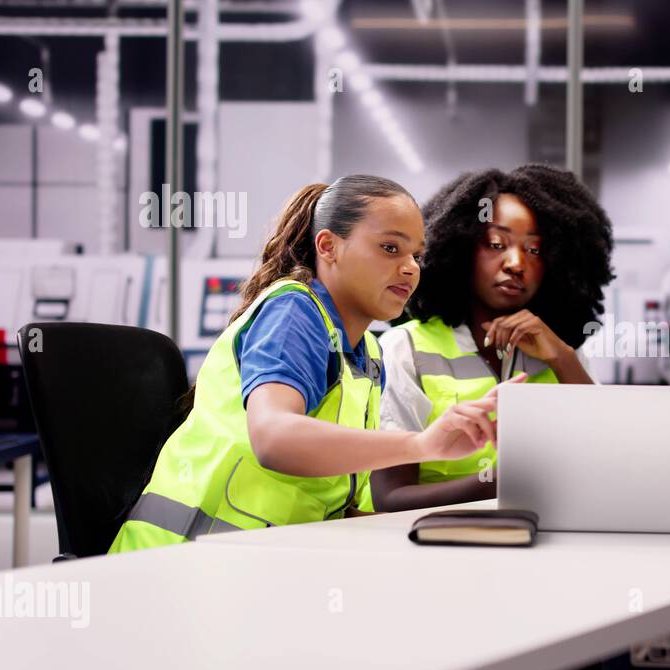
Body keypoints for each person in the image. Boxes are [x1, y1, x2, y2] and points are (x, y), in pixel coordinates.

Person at [109, 175, 516, 553]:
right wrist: (422, 445)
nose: (410, 267)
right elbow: (274, 438)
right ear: (328, 247)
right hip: (179, 563)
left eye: (417, 255)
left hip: (262, 561)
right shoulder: (294, 310)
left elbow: (326, 505)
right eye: (390, 248)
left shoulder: (368, 354)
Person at [371, 164, 615, 512]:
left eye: (535, 250)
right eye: (496, 243)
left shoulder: (561, 355)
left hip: (538, 546)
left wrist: (562, 357)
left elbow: (608, 461)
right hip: (432, 549)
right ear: (460, 249)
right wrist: (503, 482)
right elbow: (390, 498)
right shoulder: (406, 349)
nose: (516, 263)